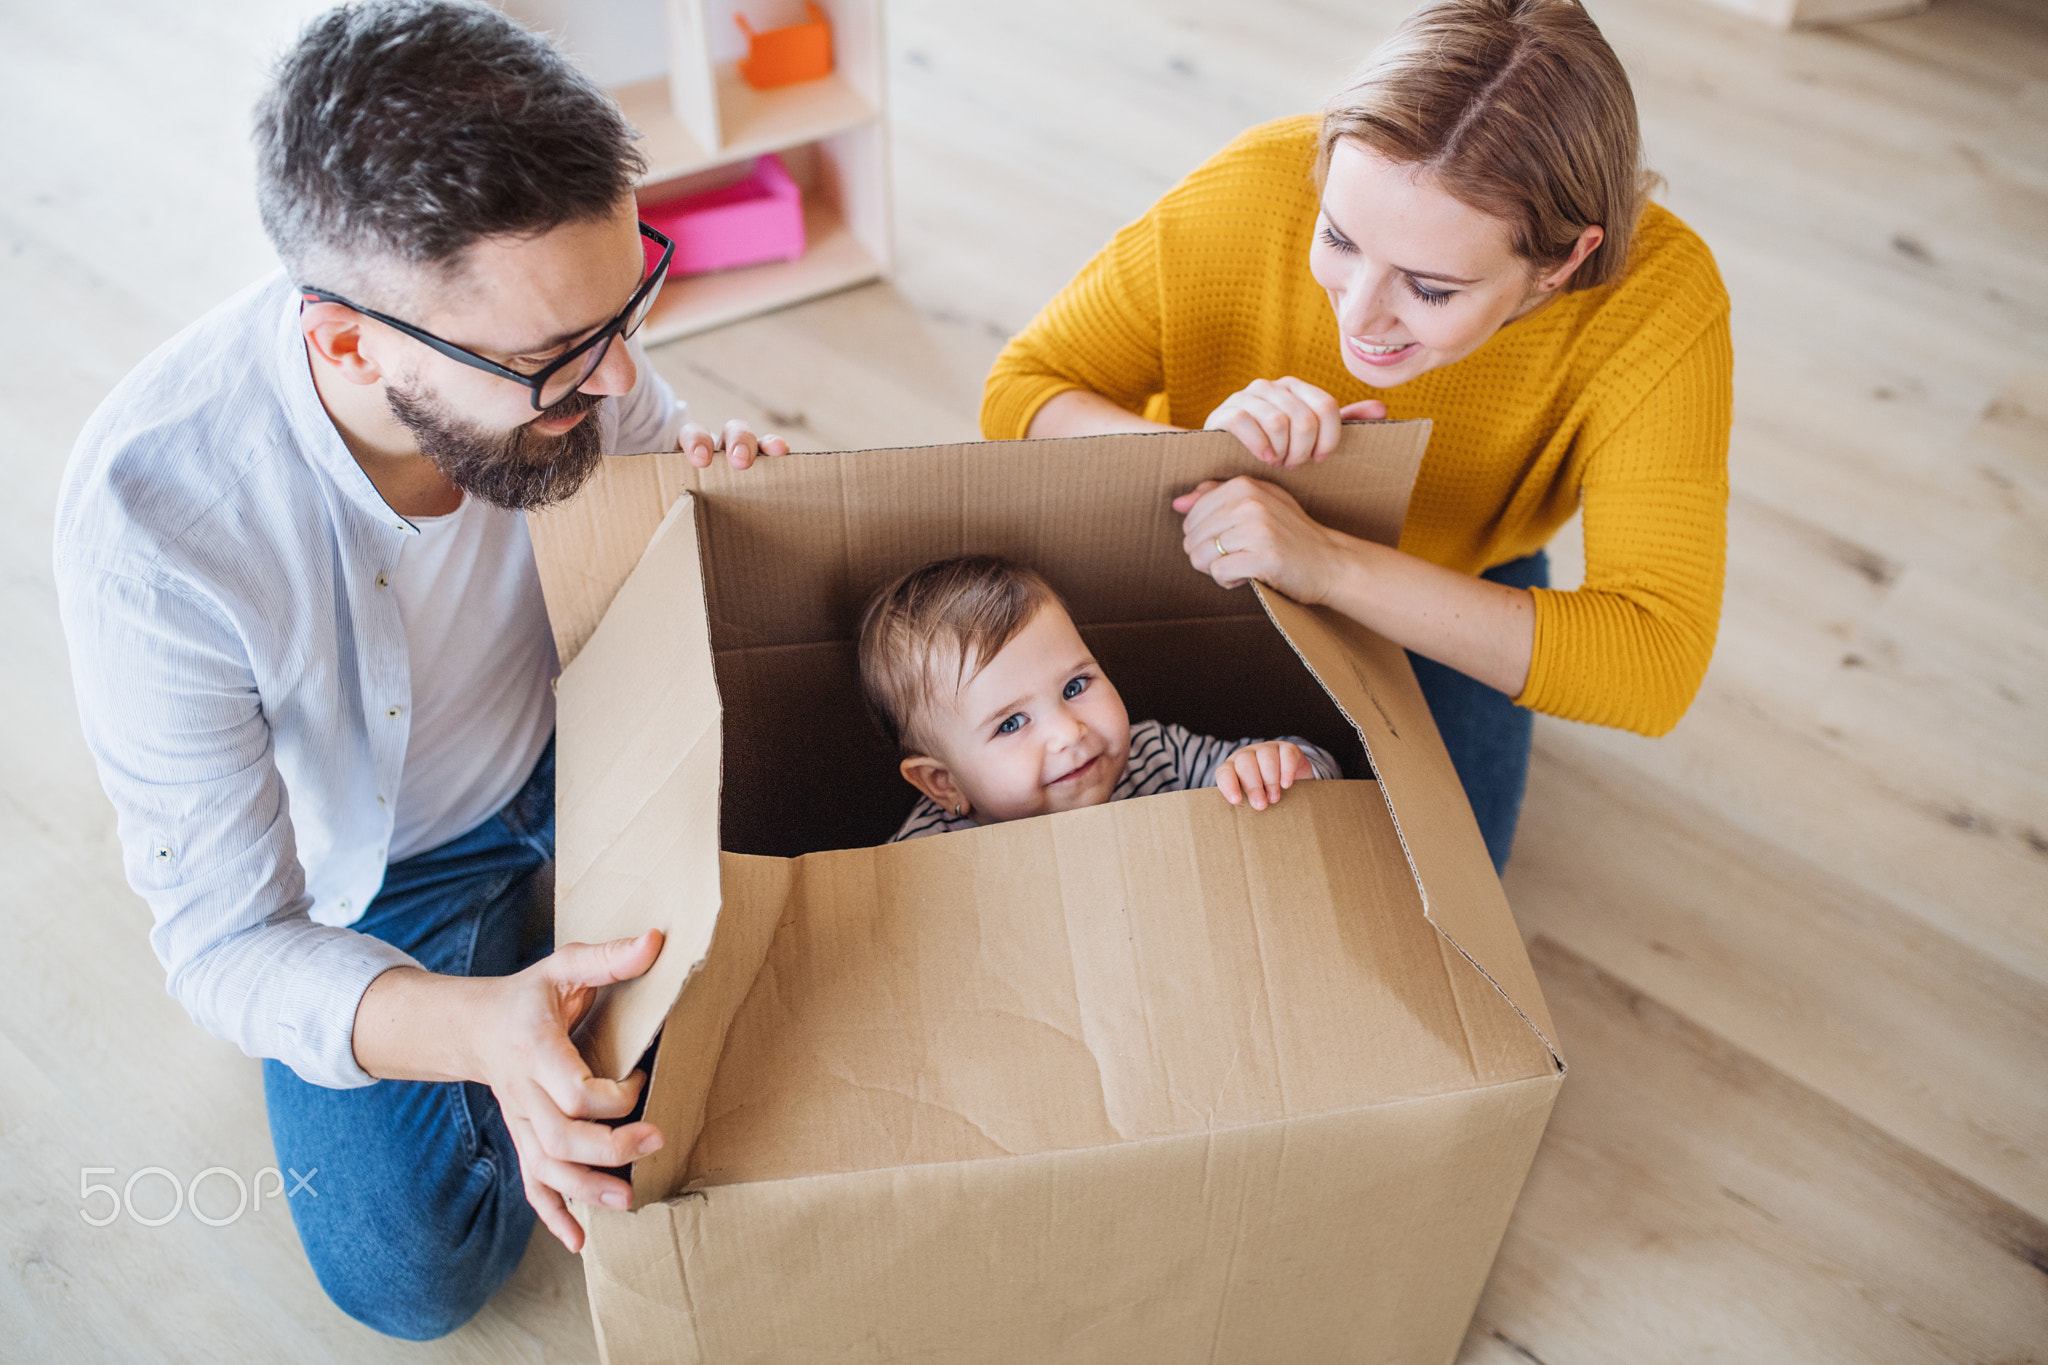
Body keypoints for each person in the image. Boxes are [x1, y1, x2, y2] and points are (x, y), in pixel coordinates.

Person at [52, 0, 782, 1340]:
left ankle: (556, 1002)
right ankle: (530, 1007)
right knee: (410, 1270)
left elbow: (650, 487)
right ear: (347, 343)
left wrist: (715, 497)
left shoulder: (563, 339)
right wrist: (475, 1034)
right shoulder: (155, 521)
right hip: (383, 873)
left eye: (626, 304)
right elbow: (226, 943)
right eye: (555, 359)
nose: (618, 372)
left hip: (585, 738)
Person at [982, 0, 1732, 871]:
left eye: (1431, 288)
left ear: (1560, 265)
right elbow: (1022, 391)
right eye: (1338, 237)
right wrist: (1197, 455)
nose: (1360, 316)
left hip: (1448, 578)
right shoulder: (1256, 184)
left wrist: (1328, 562)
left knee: (1423, 898)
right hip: (1191, 536)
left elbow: (1652, 662)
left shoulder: (1659, 307)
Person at [857, 556, 1342, 842]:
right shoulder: (928, 858)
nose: (1069, 732)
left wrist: (1277, 768)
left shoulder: (1157, 757)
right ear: (944, 784)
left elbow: (1327, 772)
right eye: (1010, 724)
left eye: (1075, 687)